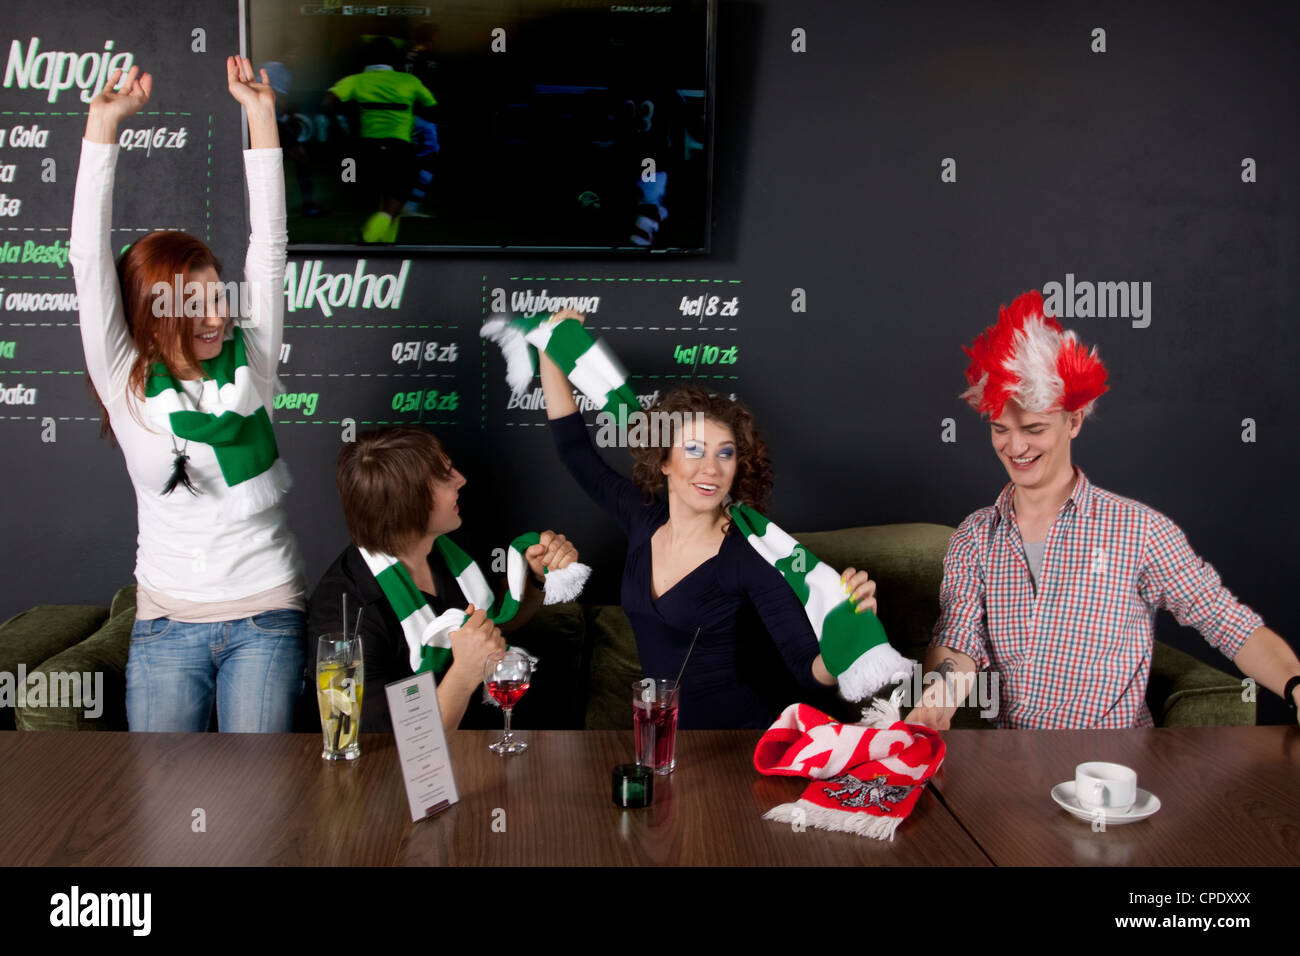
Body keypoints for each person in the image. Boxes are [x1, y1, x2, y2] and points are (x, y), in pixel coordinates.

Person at [906, 290, 1300, 729]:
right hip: (1014, 769)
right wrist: (936, 702)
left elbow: (1227, 622)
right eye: (1001, 429)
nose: (1015, 447)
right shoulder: (976, 535)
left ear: (1074, 420)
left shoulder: (1140, 530)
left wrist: (1296, 686)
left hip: (1115, 771)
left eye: (1034, 429)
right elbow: (959, 638)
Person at [70, 59, 306, 732]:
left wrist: (260, 114)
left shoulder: (252, 360)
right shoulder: (127, 379)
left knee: (260, 809)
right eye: (192, 304)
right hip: (167, 624)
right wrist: (102, 126)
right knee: (169, 815)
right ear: (154, 310)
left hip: (266, 613)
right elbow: (89, 262)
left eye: (218, 298)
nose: (216, 317)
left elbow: (271, 245)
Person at [536, 311, 878, 729]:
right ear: (664, 461)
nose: (711, 468)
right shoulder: (641, 516)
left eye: (725, 453)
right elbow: (575, 452)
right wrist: (552, 350)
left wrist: (844, 645)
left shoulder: (748, 555)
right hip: (660, 737)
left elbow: (808, 670)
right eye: (694, 450)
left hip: (735, 744)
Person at [306, 427, 580, 733]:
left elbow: (495, 628)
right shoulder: (346, 610)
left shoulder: (452, 548)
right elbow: (383, 747)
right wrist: (464, 673)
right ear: (407, 502)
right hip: (414, 770)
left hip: (488, 741)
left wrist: (537, 578)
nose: (461, 479)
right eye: (444, 476)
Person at [322, 37, 436, 243]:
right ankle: (368, 237)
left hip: (367, 149)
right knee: (396, 201)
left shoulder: (356, 80)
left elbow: (328, 102)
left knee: (387, 197)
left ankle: (385, 244)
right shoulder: (409, 81)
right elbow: (432, 106)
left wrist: (339, 125)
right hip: (400, 147)